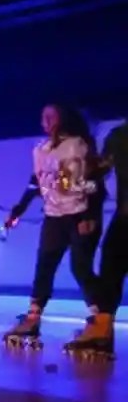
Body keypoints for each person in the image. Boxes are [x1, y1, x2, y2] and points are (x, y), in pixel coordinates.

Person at [2, 103, 100, 348]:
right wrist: (18, 209)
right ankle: (33, 319)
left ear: (63, 119)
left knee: (80, 268)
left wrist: (89, 214)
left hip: (79, 213)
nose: (44, 120)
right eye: (42, 116)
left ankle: (100, 320)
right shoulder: (41, 150)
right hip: (54, 216)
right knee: (44, 265)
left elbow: (91, 182)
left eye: (51, 115)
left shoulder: (77, 145)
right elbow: (36, 183)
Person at [65, 120, 126, 358]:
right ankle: (102, 328)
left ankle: (102, 328)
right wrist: (74, 180)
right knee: (111, 264)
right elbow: (101, 171)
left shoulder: (120, 135)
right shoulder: (119, 136)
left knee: (111, 264)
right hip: (124, 217)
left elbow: (101, 170)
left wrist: (79, 180)